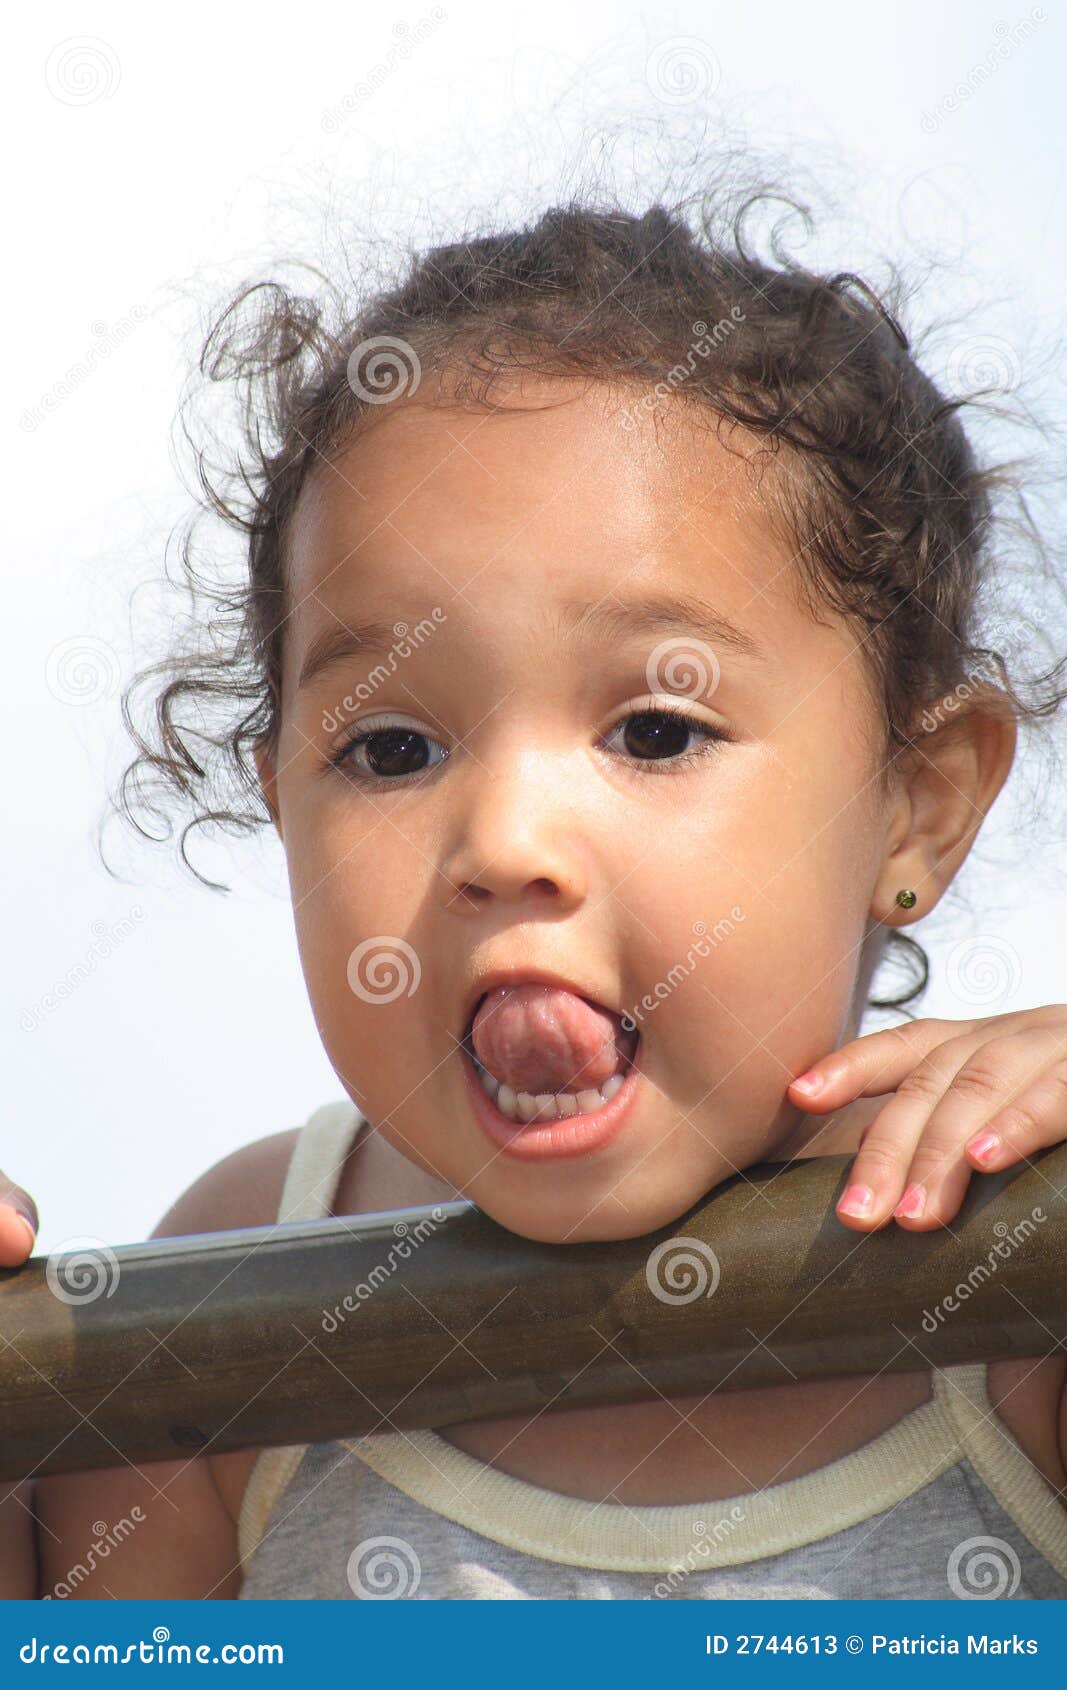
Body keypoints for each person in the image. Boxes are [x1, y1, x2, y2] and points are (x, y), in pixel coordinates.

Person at [15, 174, 1067, 1599]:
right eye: (392, 748)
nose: (504, 841)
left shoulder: (1020, 1285)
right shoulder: (223, 1284)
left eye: (657, 731)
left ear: (917, 805)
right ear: (279, 802)